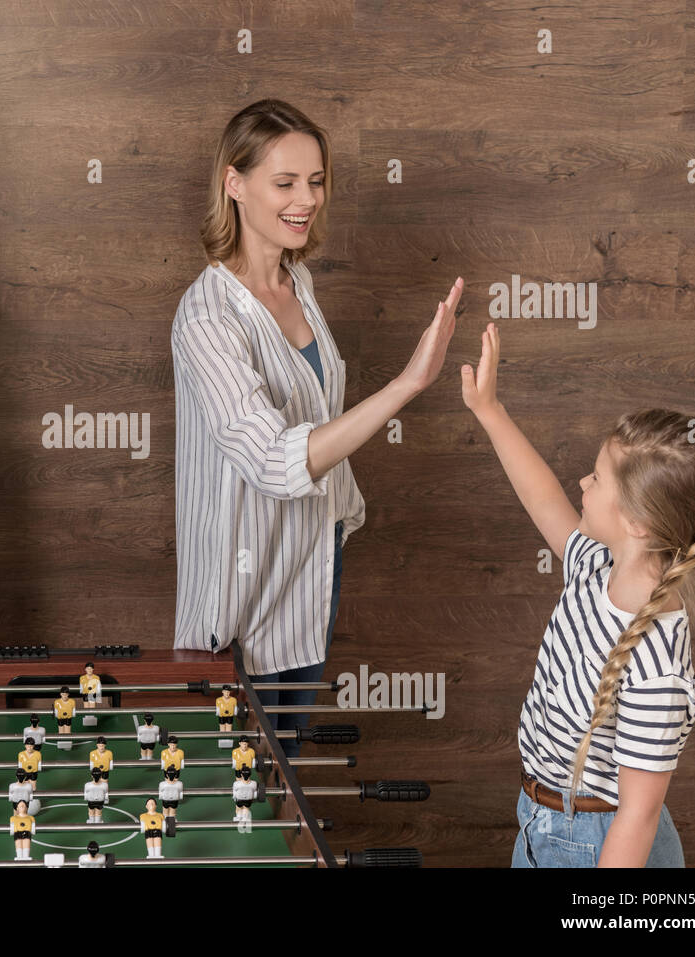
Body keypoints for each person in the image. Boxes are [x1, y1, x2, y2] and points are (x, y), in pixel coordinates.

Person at [171, 99, 462, 758]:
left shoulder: (297, 280)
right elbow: (275, 463)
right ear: (234, 183)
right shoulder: (207, 318)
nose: (307, 199)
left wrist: (340, 514)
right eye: (286, 183)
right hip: (241, 598)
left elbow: (316, 416)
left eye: (317, 180)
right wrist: (407, 384)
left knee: (284, 773)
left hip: (310, 572)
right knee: (238, 796)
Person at [461, 323, 695, 867]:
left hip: (597, 845)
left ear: (637, 522)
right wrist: (489, 409)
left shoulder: (657, 665)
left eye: (596, 479)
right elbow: (543, 499)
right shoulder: (596, 566)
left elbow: (637, 816)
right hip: (542, 820)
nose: (582, 484)